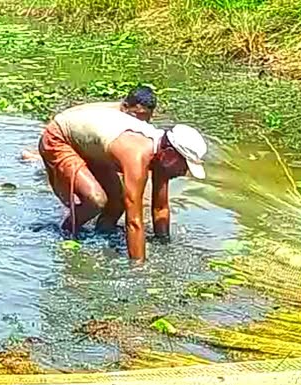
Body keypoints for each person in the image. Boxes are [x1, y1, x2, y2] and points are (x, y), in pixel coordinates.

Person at [39, 102, 208, 261]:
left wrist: (164, 245)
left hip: (94, 145)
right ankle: (66, 232)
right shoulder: (137, 155)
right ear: (170, 152)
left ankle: (101, 234)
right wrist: (138, 270)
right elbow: (134, 221)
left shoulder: (161, 156)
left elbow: (160, 208)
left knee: (117, 203)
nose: (183, 172)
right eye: (184, 165)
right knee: (96, 200)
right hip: (60, 137)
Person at [18, 85, 159, 163]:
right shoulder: (108, 117)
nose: (140, 123)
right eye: (136, 117)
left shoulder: (133, 118)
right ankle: (36, 157)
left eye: (145, 118)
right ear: (125, 106)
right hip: (61, 135)